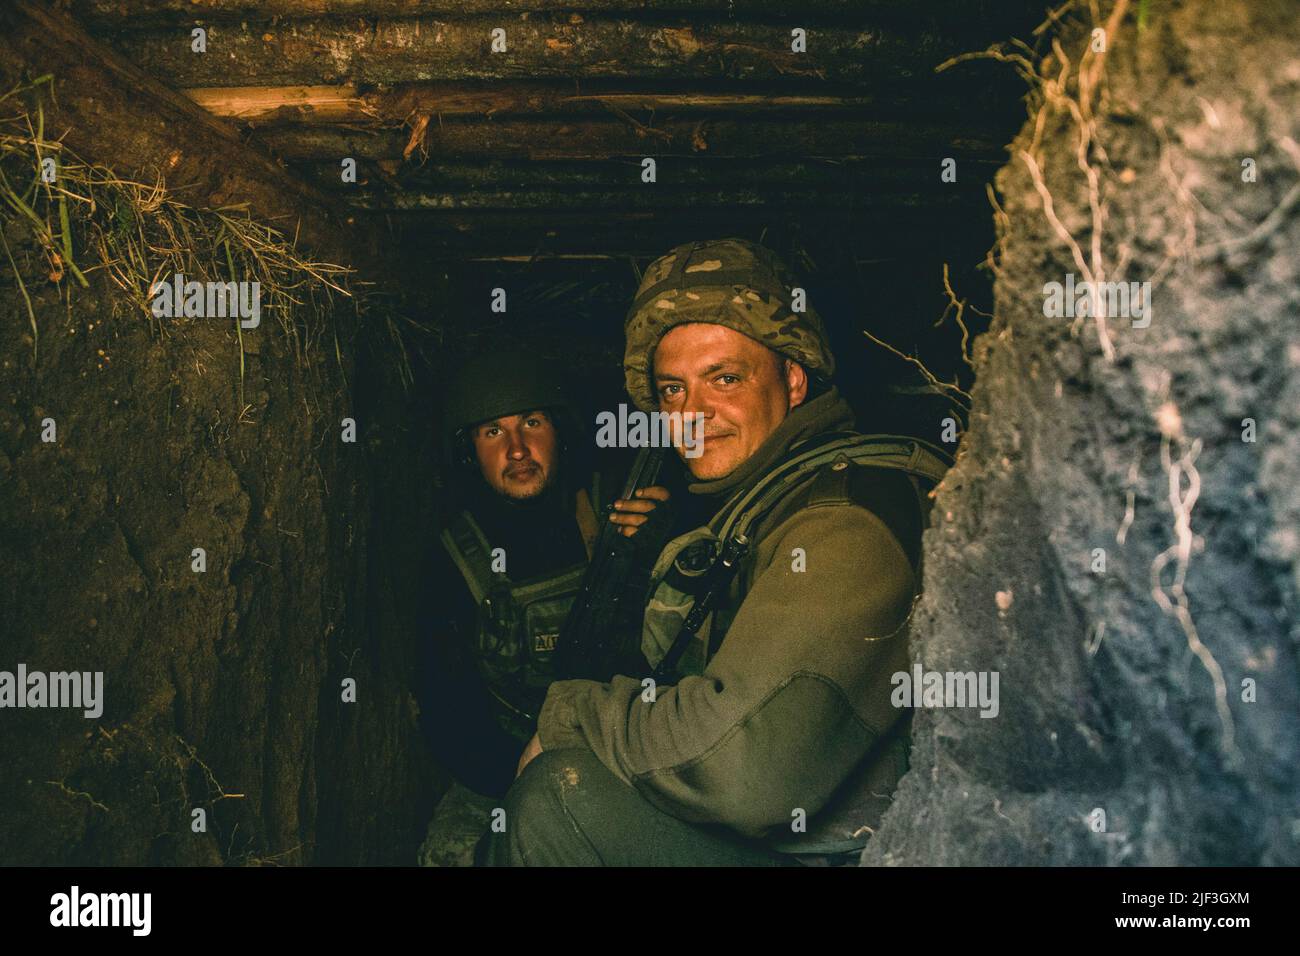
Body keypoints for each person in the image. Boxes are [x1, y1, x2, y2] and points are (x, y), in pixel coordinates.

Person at [481, 238, 948, 866]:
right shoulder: (763, 502)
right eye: (673, 391)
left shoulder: (843, 520)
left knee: (553, 802)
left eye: (724, 379)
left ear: (794, 378)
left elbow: (745, 773)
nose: (693, 414)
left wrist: (570, 717)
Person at [416, 349, 667, 864]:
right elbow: (446, 710)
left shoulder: (617, 515)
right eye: (493, 432)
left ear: (558, 431)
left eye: (531, 422)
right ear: (470, 451)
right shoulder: (454, 558)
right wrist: (532, 777)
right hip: (503, 770)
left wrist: (671, 546)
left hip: (633, 751)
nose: (516, 449)